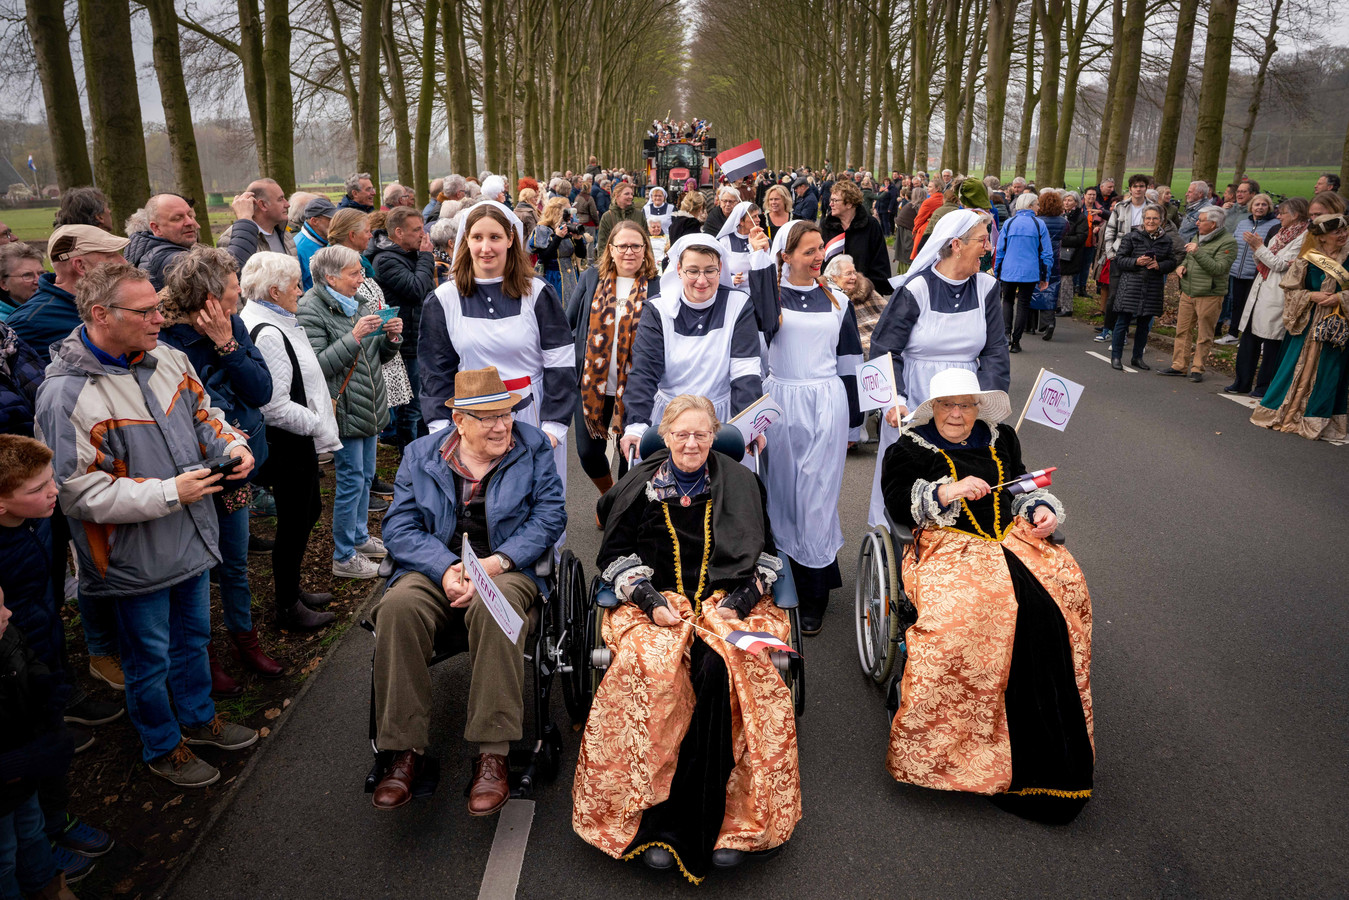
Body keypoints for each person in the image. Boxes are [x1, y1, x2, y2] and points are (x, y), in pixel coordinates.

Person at [35, 264, 259, 787]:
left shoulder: (168, 358)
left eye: (158, 307)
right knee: (148, 657)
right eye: (147, 311)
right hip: (131, 554)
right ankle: (162, 744)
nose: (161, 318)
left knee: (193, 637)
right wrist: (168, 493)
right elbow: (77, 492)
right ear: (100, 315)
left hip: (190, 534)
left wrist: (233, 445)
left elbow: (206, 414)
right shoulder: (67, 396)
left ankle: (199, 718)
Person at [574, 394, 800, 880]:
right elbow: (615, 557)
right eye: (682, 434)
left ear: (714, 436)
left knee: (721, 668)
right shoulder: (639, 485)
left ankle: (722, 820)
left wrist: (736, 604)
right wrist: (653, 604)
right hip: (656, 608)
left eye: (701, 434)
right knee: (658, 673)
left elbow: (766, 559)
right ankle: (653, 821)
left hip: (728, 605)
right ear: (666, 435)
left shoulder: (742, 482)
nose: (691, 443)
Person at [881, 367, 1093, 824]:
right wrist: (946, 490)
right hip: (946, 545)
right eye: (946, 405)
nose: (956, 414)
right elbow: (896, 500)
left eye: (965, 405)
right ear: (932, 409)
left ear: (978, 407)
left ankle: (1042, 739)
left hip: (1010, 541)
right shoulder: (909, 446)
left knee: (1057, 603)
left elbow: (1018, 486)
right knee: (971, 618)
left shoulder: (1002, 438)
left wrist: (1036, 509)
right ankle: (965, 750)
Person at [368, 366, 565, 813]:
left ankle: (493, 754)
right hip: (440, 566)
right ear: (459, 421)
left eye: (506, 415)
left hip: (505, 566)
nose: (502, 426)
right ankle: (403, 752)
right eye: (488, 418)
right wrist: (445, 568)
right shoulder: (421, 454)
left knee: (496, 612)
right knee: (397, 608)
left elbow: (550, 517)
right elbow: (398, 525)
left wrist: (494, 564)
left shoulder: (532, 448)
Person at [157, 247, 285, 696]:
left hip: (238, 471)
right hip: (193, 475)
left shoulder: (234, 325)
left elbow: (262, 388)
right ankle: (202, 655)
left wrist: (227, 344)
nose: (239, 293)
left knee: (234, 562)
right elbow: (189, 412)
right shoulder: (165, 340)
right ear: (210, 296)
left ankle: (245, 640)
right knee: (195, 571)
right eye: (233, 287)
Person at [0, 435, 120, 884]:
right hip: (12, 674)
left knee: (51, 749)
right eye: (37, 488)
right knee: (28, 757)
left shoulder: (40, 523)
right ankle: (40, 845)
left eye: (52, 481)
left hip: (45, 652)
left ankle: (57, 820)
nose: (53, 491)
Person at [418, 202, 575, 492]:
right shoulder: (444, 299)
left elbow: (560, 363)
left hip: (531, 416)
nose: (485, 247)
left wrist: (553, 428)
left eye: (495, 237)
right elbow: (435, 372)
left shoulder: (537, 293)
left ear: (511, 239)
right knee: (480, 509)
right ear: (466, 240)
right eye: (477, 237)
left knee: (534, 506)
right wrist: (441, 428)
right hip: (472, 420)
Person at [865, 209, 1008, 528]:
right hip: (916, 396)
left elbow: (995, 350)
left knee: (967, 473)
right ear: (957, 245)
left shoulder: (986, 288)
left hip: (964, 396)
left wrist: (988, 401)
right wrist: (893, 401)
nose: (989, 248)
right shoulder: (916, 288)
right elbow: (885, 348)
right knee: (913, 475)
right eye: (984, 240)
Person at [761, 221, 862, 634]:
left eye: (820, 248)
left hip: (825, 400)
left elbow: (850, 357)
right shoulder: (769, 298)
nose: (819, 256)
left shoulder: (837, 298)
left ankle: (816, 590)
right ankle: (783, 580)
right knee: (781, 492)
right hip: (780, 399)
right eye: (808, 250)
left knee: (816, 496)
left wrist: (856, 416)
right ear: (785, 256)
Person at [238, 252, 340, 629]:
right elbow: (274, 405)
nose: (302, 290)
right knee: (296, 521)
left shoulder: (276, 320)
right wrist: (317, 420)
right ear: (275, 290)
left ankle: (292, 591)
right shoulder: (268, 332)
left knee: (307, 512)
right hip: (288, 443)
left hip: (296, 440)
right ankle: (286, 606)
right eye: (296, 284)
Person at [299, 245, 404, 579]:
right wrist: (355, 337)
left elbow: (375, 359)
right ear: (331, 277)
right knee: (350, 481)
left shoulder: (356, 304)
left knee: (364, 477)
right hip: (343, 410)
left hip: (369, 406)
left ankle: (359, 537)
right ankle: (343, 555)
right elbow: (316, 366)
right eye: (355, 273)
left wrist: (391, 338)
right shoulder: (311, 309)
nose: (363, 278)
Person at [618, 234, 770, 462]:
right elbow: (644, 373)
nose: (702, 280)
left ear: (720, 268)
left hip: (721, 419)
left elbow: (745, 372)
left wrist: (750, 425)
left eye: (710, 270)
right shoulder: (657, 310)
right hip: (669, 418)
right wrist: (637, 424)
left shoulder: (738, 304)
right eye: (693, 271)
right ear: (678, 269)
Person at [565, 222, 658, 506]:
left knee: (628, 454)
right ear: (611, 249)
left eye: (636, 246)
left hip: (636, 388)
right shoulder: (592, 278)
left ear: (645, 250)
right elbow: (568, 323)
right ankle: (609, 498)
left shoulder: (658, 285)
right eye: (622, 246)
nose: (629, 252)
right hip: (592, 386)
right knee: (588, 453)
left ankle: (618, 506)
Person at [0, 578, 81, 900]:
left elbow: (28, 657)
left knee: (32, 832)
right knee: (4, 858)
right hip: (6, 781)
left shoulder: (6, 636)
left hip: (24, 774)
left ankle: (48, 885)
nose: (8, 612)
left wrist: (46, 686)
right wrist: (20, 762)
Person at [1251, 212, 1349, 441]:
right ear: (1323, 237)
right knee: (1293, 367)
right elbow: (1290, 290)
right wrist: (1311, 295)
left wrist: (1341, 298)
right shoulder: (1308, 259)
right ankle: (1284, 413)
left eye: (1345, 230)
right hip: (1306, 325)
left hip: (1336, 326)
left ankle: (1317, 420)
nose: (1343, 235)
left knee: (1329, 371)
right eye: (1337, 232)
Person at [329, 210, 413, 466]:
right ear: (352, 235)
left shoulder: (363, 264)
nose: (371, 235)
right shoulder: (337, 267)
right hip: (360, 353)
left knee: (374, 417)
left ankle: (370, 472)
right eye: (367, 231)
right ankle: (368, 474)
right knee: (363, 420)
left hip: (376, 348)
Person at [8, 226, 129, 367]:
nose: (124, 262)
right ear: (80, 266)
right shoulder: (28, 323)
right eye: (110, 256)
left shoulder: (112, 302)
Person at [1228, 197, 1310, 397]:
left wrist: (1259, 247)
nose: (1278, 216)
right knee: (1249, 337)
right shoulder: (1280, 232)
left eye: (1282, 213)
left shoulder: (1304, 237)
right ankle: (1242, 381)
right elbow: (1265, 258)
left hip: (1276, 292)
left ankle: (1264, 385)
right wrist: (1259, 249)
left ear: (1296, 215)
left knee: (1271, 340)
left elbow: (1280, 265)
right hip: (1261, 286)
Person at [1159, 207, 1237, 382]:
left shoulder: (1228, 242)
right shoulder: (1199, 235)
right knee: (1182, 330)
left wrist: (1197, 251)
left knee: (1204, 334)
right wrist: (1182, 265)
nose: (1197, 223)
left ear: (1213, 224)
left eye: (1201, 220)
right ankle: (1179, 365)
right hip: (1188, 291)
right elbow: (1189, 256)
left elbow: (1219, 269)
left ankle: (1197, 368)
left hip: (1209, 294)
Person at [1108, 204, 1178, 371]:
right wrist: (1136, 262)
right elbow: (1120, 259)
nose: (1151, 221)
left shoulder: (1166, 240)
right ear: (1143, 220)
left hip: (1152, 287)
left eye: (1154, 218)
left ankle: (1137, 357)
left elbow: (1172, 262)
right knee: (1122, 322)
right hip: (1130, 285)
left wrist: (1159, 265)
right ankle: (1116, 356)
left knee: (1144, 325)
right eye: (1148, 218)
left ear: (1161, 221)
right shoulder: (1132, 237)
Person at [1219, 193, 1281, 346]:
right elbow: (1233, 243)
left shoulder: (1274, 225)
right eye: (1256, 204)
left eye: (1263, 205)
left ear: (1269, 207)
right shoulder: (1243, 223)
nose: (1260, 207)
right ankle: (1233, 333)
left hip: (1257, 272)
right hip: (1237, 270)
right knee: (1236, 303)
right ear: (1251, 207)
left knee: (1254, 306)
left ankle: (1251, 338)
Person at [996, 194, 1052, 353]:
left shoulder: (1009, 222)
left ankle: (1006, 333)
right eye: (1037, 205)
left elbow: (1000, 250)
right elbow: (1046, 253)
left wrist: (997, 271)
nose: (1039, 208)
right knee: (1023, 304)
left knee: (1007, 301)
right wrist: (1045, 276)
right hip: (1030, 271)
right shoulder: (1039, 224)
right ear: (1030, 205)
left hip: (1008, 270)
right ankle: (1016, 341)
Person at [820, 178, 891, 289]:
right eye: (831, 200)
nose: (830, 204)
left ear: (849, 204)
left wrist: (866, 288)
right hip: (830, 294)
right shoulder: (826, 225)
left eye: (835, 200)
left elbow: (880, 263)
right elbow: (820, 260)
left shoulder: (871, 226)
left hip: (862, 293)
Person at [124, 193, 200, 290]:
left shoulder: (150, 251)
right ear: (156, 228)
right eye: (177, 218)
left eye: (190, 215)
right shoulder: (171, 261)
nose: (190, 222)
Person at [220, 179, 295, 269]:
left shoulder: (286, 234)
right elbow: (233, 278)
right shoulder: (231, 239)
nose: (287, 204)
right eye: (280, 199)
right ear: (262, 205)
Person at [530, 197, 586, 300]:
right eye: (568, 211)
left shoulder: (568, 227)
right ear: (557, 212)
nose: (570, 215)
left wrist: (578, 240)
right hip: (553, 278)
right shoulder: (543, 229)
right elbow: (543, 257)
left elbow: (582, 255)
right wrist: (558, 237)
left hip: (572, 277)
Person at [1031, 189, 1068, 341]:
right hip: (1055, 258)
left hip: (1038, 258)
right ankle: (1049, 321)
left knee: (1034, 290)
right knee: (1051, 290)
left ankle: (1031, 324)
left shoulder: (1037, 222)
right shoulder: (1064, 222)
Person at [294, 196, 336, 291]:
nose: (335, 223)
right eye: (330, 220)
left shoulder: (326, 239)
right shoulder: (298, 248)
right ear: (314, 221)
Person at [1058, 191, 1089, 313]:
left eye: (1069, 200)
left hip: (1072, 254)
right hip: (1060, 253)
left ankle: (1067, 308)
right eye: (1065, 200)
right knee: (1059, 281)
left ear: (1076, 202)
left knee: (1067, 282)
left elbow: (1081, 237)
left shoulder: (1080, 217)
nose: (1066, 202)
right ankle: (1059, 305)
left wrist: (1062, 239)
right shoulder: (1061, 215)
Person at [0, 243, 45, 322]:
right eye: (27, 275)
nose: (38, 281)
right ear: (4, 284)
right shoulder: (5, 325)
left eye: (41, 273)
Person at [597, 182, 647, 249]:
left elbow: (646, 240)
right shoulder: (607, 217)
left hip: (635, 256)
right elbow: (602, 244)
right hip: (614, 257)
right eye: (627, 194)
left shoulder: (639, 215)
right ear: (617, 195)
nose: (631, 197)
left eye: (632, 194)